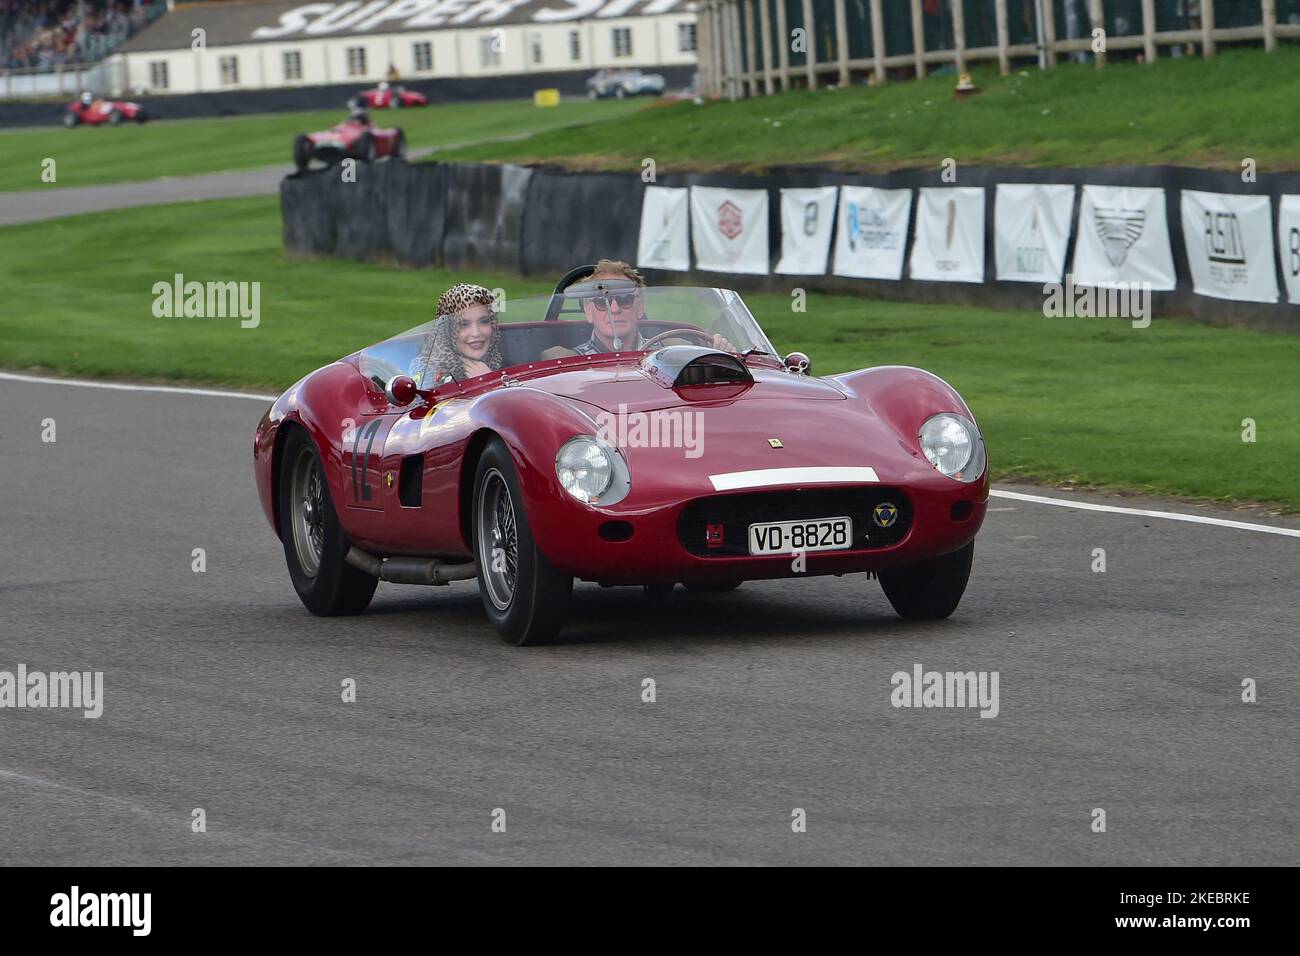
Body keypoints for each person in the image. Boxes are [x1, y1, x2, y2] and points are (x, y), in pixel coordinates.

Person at [571, 259, 733, 355]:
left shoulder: (672, 351)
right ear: (588, 310)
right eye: (602, 301)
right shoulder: (569, 360)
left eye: (624, 299)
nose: (614, 309)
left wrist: (719, 351)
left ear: (639, 307)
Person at [410, 283, 503, 387]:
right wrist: (487, 382)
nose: (476, 333)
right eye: (463, 324)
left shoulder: (500, 360)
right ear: (447, 330)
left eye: (484, 321)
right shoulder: (427, 370)